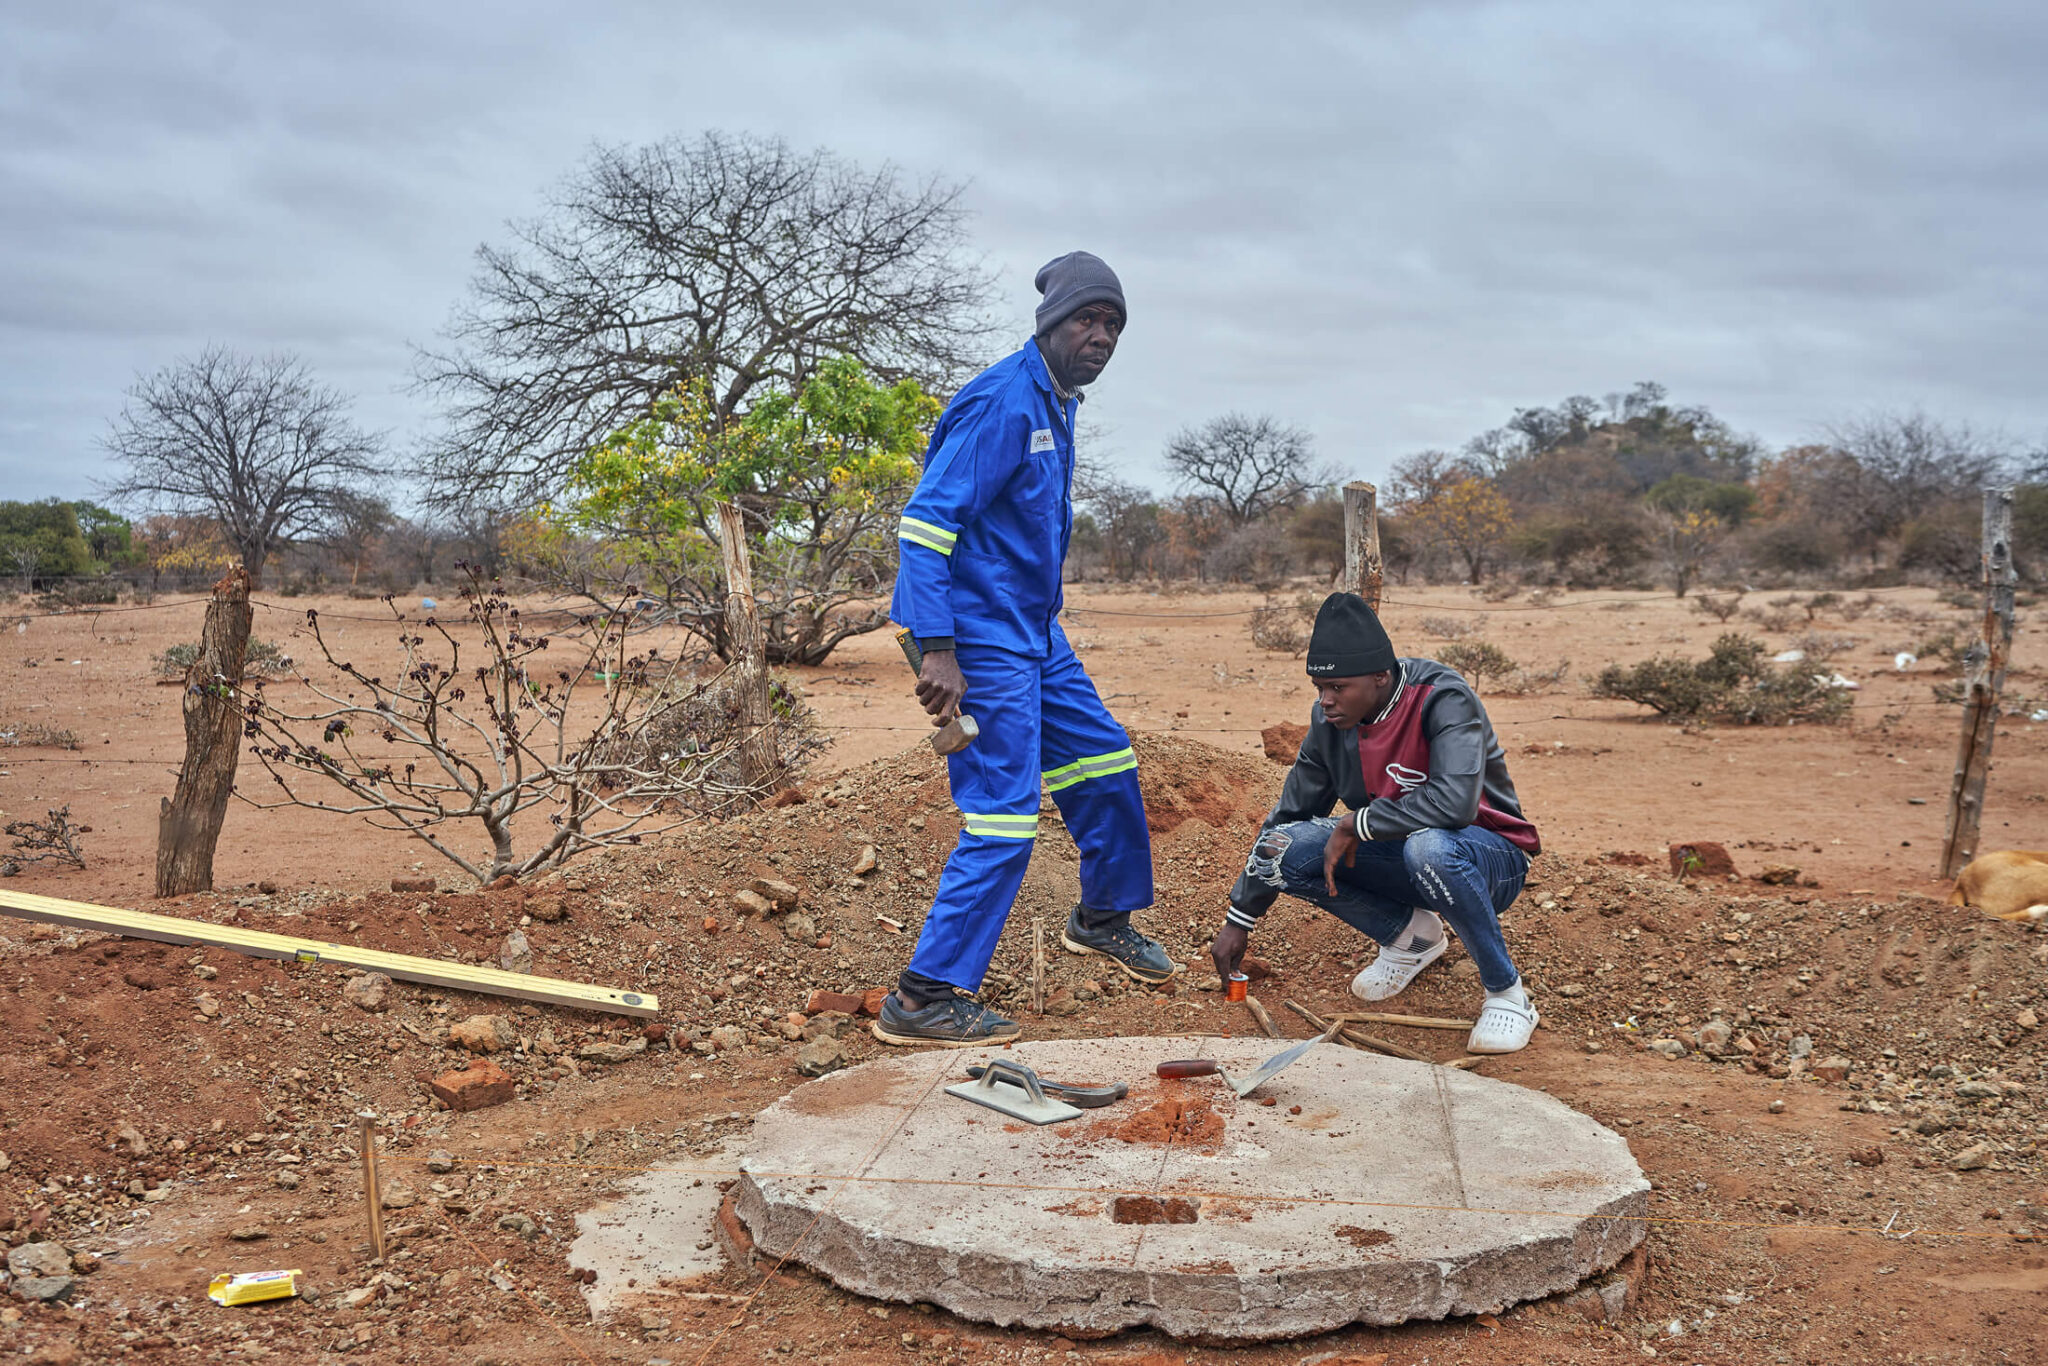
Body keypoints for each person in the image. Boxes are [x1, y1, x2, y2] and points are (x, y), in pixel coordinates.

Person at [874, 251, 1175, 1048]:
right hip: (982, 640)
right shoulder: (1007, 401)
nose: (1101, 336)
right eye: (1087, 319)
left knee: (1106, 763)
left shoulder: (1058, 398)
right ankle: (924, 996)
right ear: (1050, 324)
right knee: (1004, 819)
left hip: (1036, 632)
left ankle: (1102, 917)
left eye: (1112, 324)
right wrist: (937, 648)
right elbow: (924, 527)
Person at [1210, 593, 1543, 1054]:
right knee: (1282, 849)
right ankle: (1412, 939)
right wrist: (1240, 917)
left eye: (1339, 688)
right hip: (1405, 853)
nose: (1325, 702)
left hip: (1488, 857)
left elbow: (1455, 804)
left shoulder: (1442, 698)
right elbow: (1288, 817)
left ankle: (1507, 994)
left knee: (1429, 847)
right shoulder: (1330, 722)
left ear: (1380, 678)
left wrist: (1355, 823)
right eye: (1318, 688)